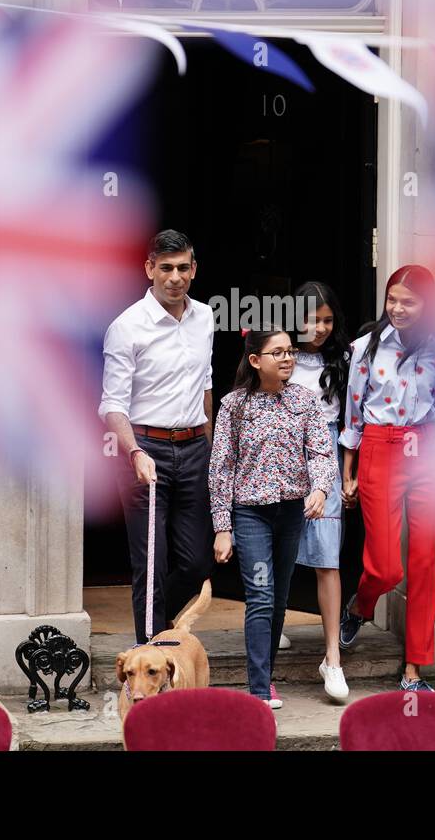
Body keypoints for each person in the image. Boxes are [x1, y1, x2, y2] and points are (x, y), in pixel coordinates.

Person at [208, 328, 337, 709]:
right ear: (254, 360)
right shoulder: (234, 405)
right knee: (261, 598)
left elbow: (320, 453)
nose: (287, 358)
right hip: (251, 515)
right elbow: (221, 469)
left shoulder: (304, 400)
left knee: (279, 600)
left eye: (290, 351)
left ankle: (266, 677)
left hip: (291, 513)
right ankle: (260, 690)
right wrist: (222, 527)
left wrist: (320, 489)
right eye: (277, 352)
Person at [99, 230, 215, 642]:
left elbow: (205, 384)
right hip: (144, 450)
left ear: (194, 269)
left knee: (197, 561)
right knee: (150, 562)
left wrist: (211, 446)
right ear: (149, 269)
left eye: (183, 268)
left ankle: (155, 633)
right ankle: (149, 658)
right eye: (165, 268)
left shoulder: (205, 317)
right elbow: (112, 405)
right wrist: (133, 453)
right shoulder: (127, 327)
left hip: (193, 447)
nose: (175, 277)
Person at [338, 265, 435, 693]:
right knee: (386, 566)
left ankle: (414, 670)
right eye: (392, 300)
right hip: (379, 448)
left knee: (425, 562)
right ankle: (361, 605)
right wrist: (348, 470)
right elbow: (352, 413)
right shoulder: (365, 348)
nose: (397, 309)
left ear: (427, 306)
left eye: (408, 302)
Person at [286, 281, 351, 702]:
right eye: (312, 319)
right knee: (276, 547)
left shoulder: (344, 358)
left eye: (328, 320)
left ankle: (332, 657)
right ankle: (273, 625)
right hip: (282, 451)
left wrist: (348, 472)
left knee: (328, 555)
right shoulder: (280, 353)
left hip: (325, 451)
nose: (321, 327)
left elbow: (353, 420)